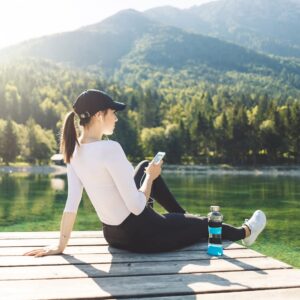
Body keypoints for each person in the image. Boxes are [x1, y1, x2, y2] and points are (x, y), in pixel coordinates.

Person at [23, 89, 266, 257]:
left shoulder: (73, 150)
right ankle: (246, 232)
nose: (116, 118)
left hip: (113, 235)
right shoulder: (110, 149)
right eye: (112, 112)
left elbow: (71, 202)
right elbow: (138, 207)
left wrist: (60, 245)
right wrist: (150, 176)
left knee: (143, 165)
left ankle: (182, 219)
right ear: (99, 115)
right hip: (143, 236)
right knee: (203, 223)